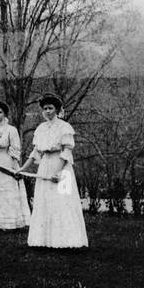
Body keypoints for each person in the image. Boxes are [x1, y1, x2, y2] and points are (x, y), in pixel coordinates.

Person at [25, 94, 89, 248]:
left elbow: (66, 152)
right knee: (45, 202)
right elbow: (35, 153)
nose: (47, 111)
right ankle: (43, 241)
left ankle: (66, 241)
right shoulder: (40, 128)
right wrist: (21, 169)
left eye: (50, 108)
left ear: (57, 109)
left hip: (61, 166)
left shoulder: (64, 127)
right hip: (45, 166)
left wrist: (58, 172)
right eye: (45, 108)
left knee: (62, 203)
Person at [0, 101, 31, 230]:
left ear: (4, 114)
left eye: (0, 112)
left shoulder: (11, 130)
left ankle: (10, 223)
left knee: (8, 191)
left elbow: (15, 149)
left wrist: (15, 167)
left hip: (7, 161)